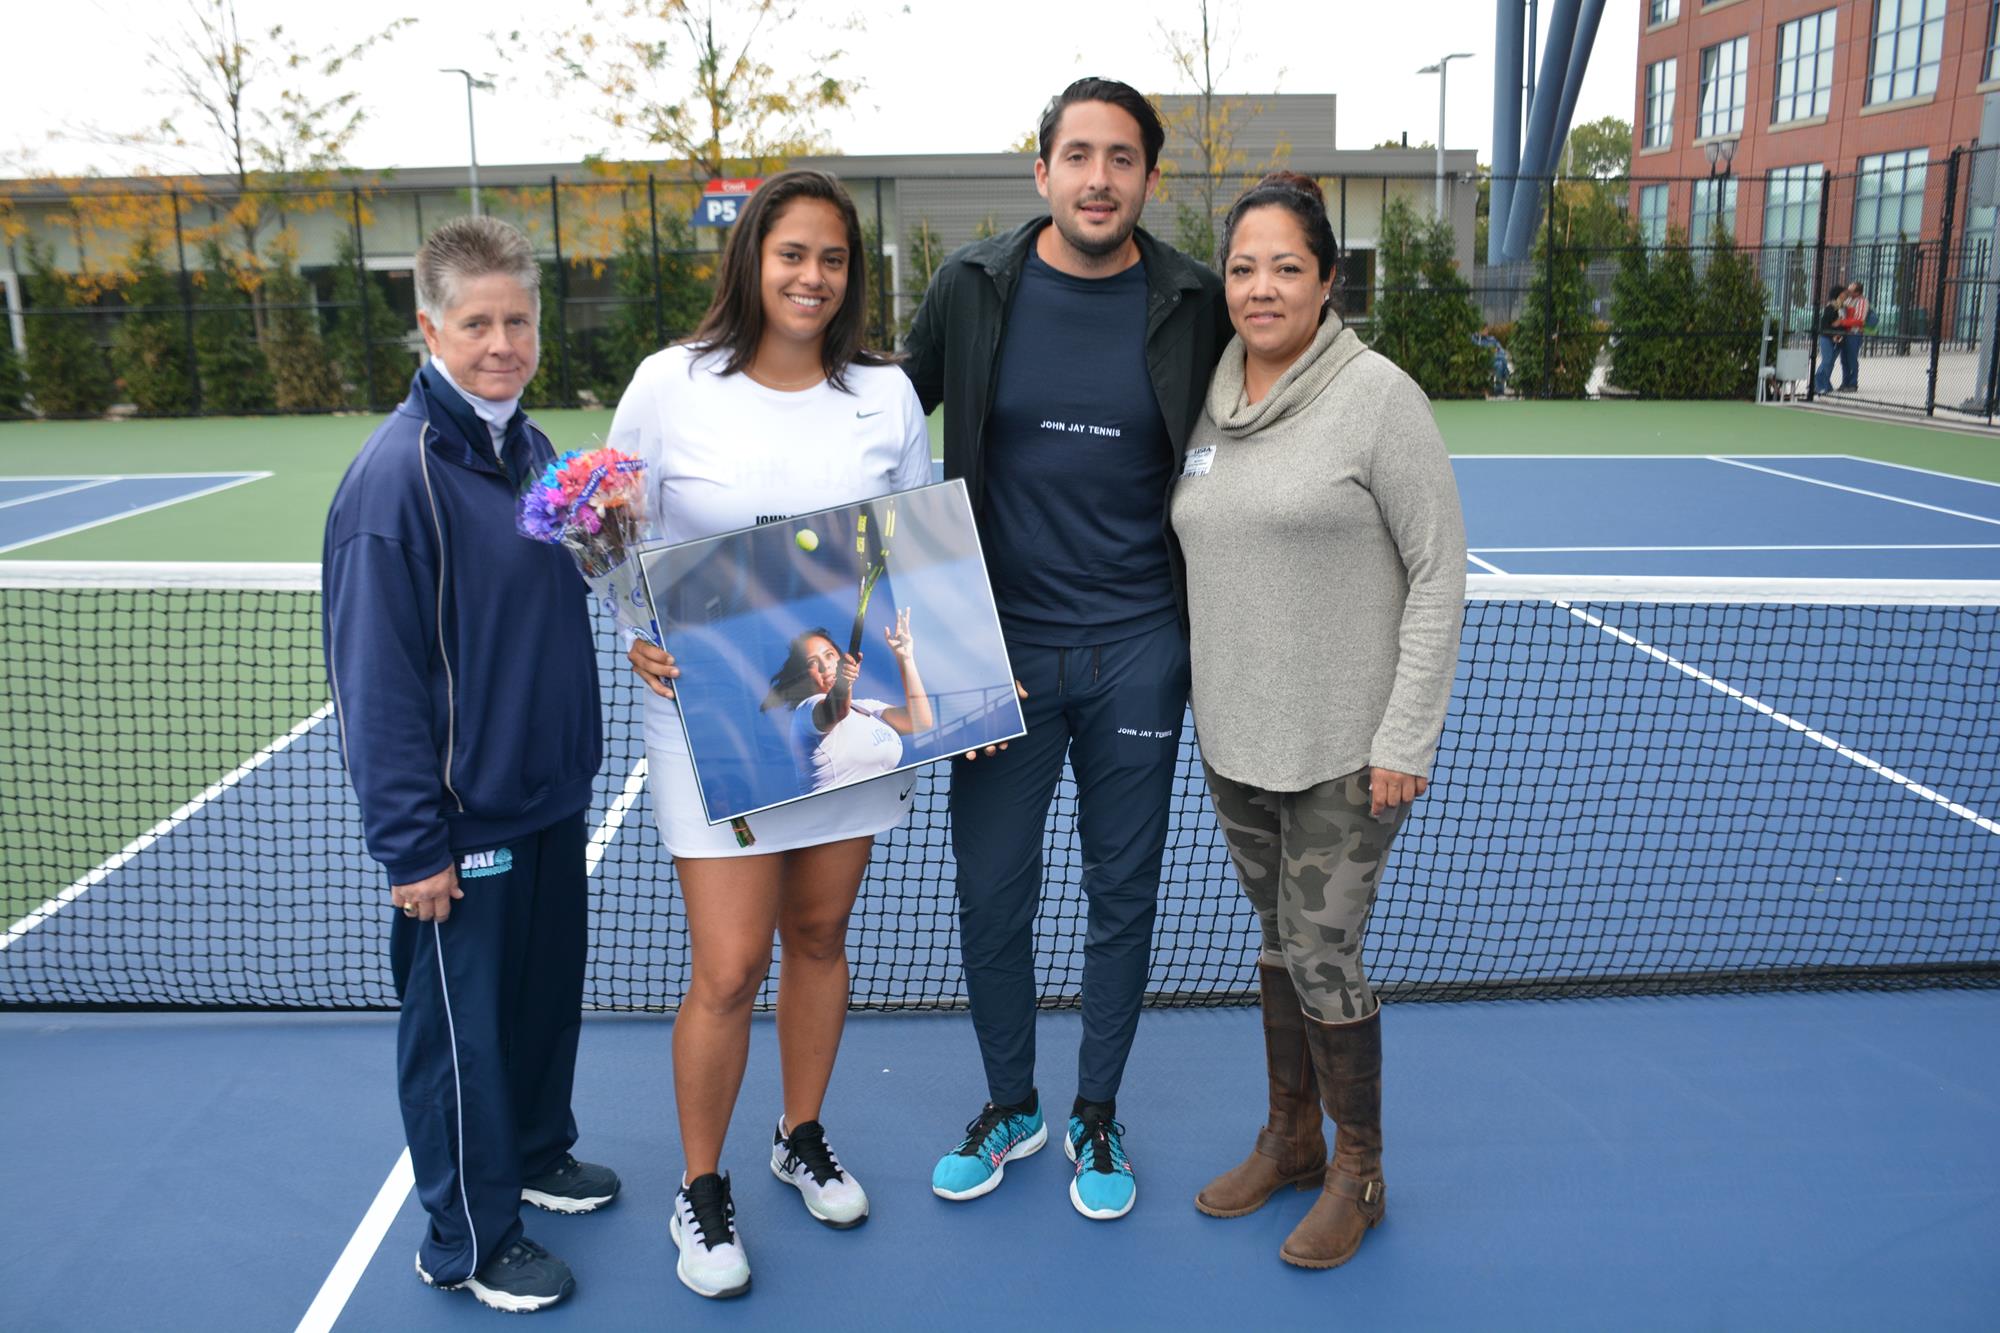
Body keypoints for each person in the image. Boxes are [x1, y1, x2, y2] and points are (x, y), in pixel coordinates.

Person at [903, 76, 1230, 1221]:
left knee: (1120, 893)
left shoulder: (1195, 298)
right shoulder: (971, 285)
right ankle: (1011, 1106)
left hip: (1140, 649)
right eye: (1077, 155)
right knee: (990, 894)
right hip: (993, 658)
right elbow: (880, 422)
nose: (1099, 178)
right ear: (1040, 170)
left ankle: (1096, 1111)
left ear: (1148, 177)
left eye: (1121, 158)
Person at [612, 169, 932, 1299]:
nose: (812, 276)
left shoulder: (885, 396)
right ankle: (698, 1189)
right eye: (792, 253)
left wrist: (952, 676)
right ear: (751, 257)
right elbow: (612, 532)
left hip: (841, 715)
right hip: (711, 722)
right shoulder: (669, 385)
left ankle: (800, 1135)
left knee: (822, 930)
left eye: (833, 258)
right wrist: (633, 623)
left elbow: (916, 545)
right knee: (731, 963)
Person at [323, 216, 618, 1315]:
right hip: (462, 823)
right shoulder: (392, 481)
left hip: (547, 798)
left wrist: (610, 532)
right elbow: (376, 682)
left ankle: (536, 1153)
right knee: (461, 1043)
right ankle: (465, 1239)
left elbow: (567, 586)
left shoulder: (531, 449)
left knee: (540, 1006)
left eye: (519, 321)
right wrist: (413, 847)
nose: (503, 344)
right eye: (478, 323)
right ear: (430, 327)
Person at [1170, 173, 1466, 1269]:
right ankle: (1290, 1140)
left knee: (1321, 948)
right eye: (1243, 267)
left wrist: (1405, 737)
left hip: (1348, 747)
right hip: (1236, 737)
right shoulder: (1206, 397)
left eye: (1286, 266)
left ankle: (1358, 1170)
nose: (1261, 287)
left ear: (1328, 278)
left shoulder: (1378, 397)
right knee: (1277, 942)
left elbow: (1438, 571)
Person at [766, 611, 934, 794]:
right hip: (834, 811)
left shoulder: (867, 707)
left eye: (829, 655)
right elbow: (836, 711)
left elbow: (920, 721)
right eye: (812, 662)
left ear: (840, 659)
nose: (825, 665)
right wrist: (843, 682)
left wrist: (905, 657)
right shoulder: (806, 711)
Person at [1814, 282, 1847, 396]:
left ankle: (1826, 384)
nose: (1845, 295)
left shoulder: (1843, 308)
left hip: (1839, 338)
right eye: (1843, 293)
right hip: (1828, 338)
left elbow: (1841, 324)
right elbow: (1824, 326)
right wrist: (1833, 334)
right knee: (1826, 361)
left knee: (1831, 363)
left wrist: (1840, 327)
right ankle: (1818, 384)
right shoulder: (1831, 307)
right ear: (1838, 294)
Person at [1836, 280, 1868, 392]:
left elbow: (1859, 320)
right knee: (1844, 359)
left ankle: (1853, 383)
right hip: (1845, 333)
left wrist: (1842, 322)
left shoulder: (1862, 301)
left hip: (1854, 333)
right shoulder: (1848, 300)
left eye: (1850, 290)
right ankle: (1845, 382)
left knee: (1851, 358)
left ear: (1857, 292)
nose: (1848, 291)